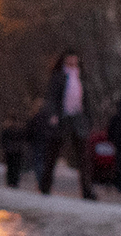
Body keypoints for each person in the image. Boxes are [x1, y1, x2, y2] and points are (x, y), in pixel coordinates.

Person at [38, 51, 97, 200]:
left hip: (78, 119)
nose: (72, 64)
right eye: (69, 62)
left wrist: (88, 119)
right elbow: (51, 98)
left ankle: (87, 190)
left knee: (84, 158)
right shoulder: (57, 77)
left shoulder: (82, 78)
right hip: (62, 119)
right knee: (53, 154)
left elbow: (87, 101)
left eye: (74, 62)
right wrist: (53, 115)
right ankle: (45, 185)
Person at [0, 116, 26, 188]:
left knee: (11, 167)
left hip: (10, 151)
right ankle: (14, 182)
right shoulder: (20, 130)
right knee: (16, 167)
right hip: (17, 151)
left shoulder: (7, 130)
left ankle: (10, 182)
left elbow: (3, 141)